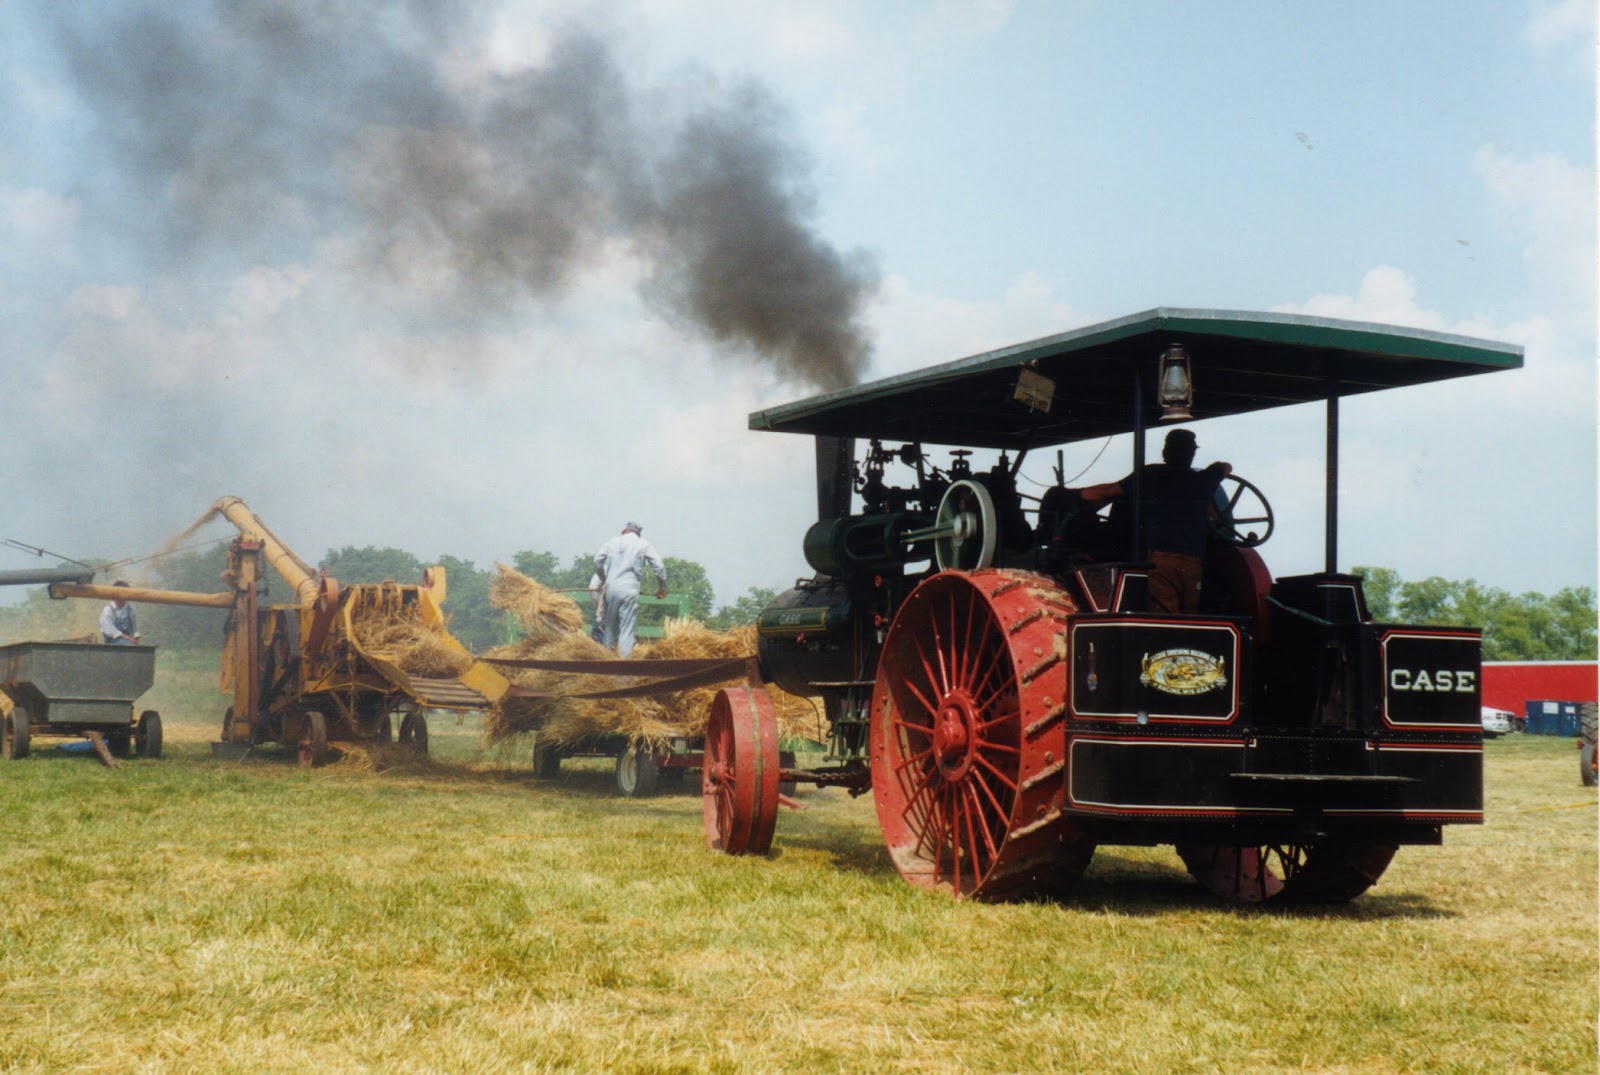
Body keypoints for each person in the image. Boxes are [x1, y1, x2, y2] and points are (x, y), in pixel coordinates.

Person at [1078, 428, 1230, 614]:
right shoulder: (1206, 479)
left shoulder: (1151, 474)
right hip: (1193, 565)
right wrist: (1212, 473)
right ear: (1192, 454)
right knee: (1189, 615)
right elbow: (1226, 467)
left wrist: (1076, 494)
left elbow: (1110, 491)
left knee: (1164, 616)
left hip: (1161, 563)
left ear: (1165, 452)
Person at [593, 522, 667, 658]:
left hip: (611, 588)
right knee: (626, 630)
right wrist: (662, 588)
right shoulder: (644, 544)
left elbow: (597, 561)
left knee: (610, 628)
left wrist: (603, 578)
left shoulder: (613, 542)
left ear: (625, 530)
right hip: (630, 589)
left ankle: (606, 661)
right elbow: (659, 567)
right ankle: (624, 666)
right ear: (638, 533)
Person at [99, 580, 141, 644]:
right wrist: (128, 638)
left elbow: (134, 626)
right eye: (119, 593)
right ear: (114, 594)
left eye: (125, 593)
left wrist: (136, 637)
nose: (122, 595)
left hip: (128, 641)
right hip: (112, 642)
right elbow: (110, 630)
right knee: (127, 644)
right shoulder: (108, 610)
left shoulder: (130, 609)